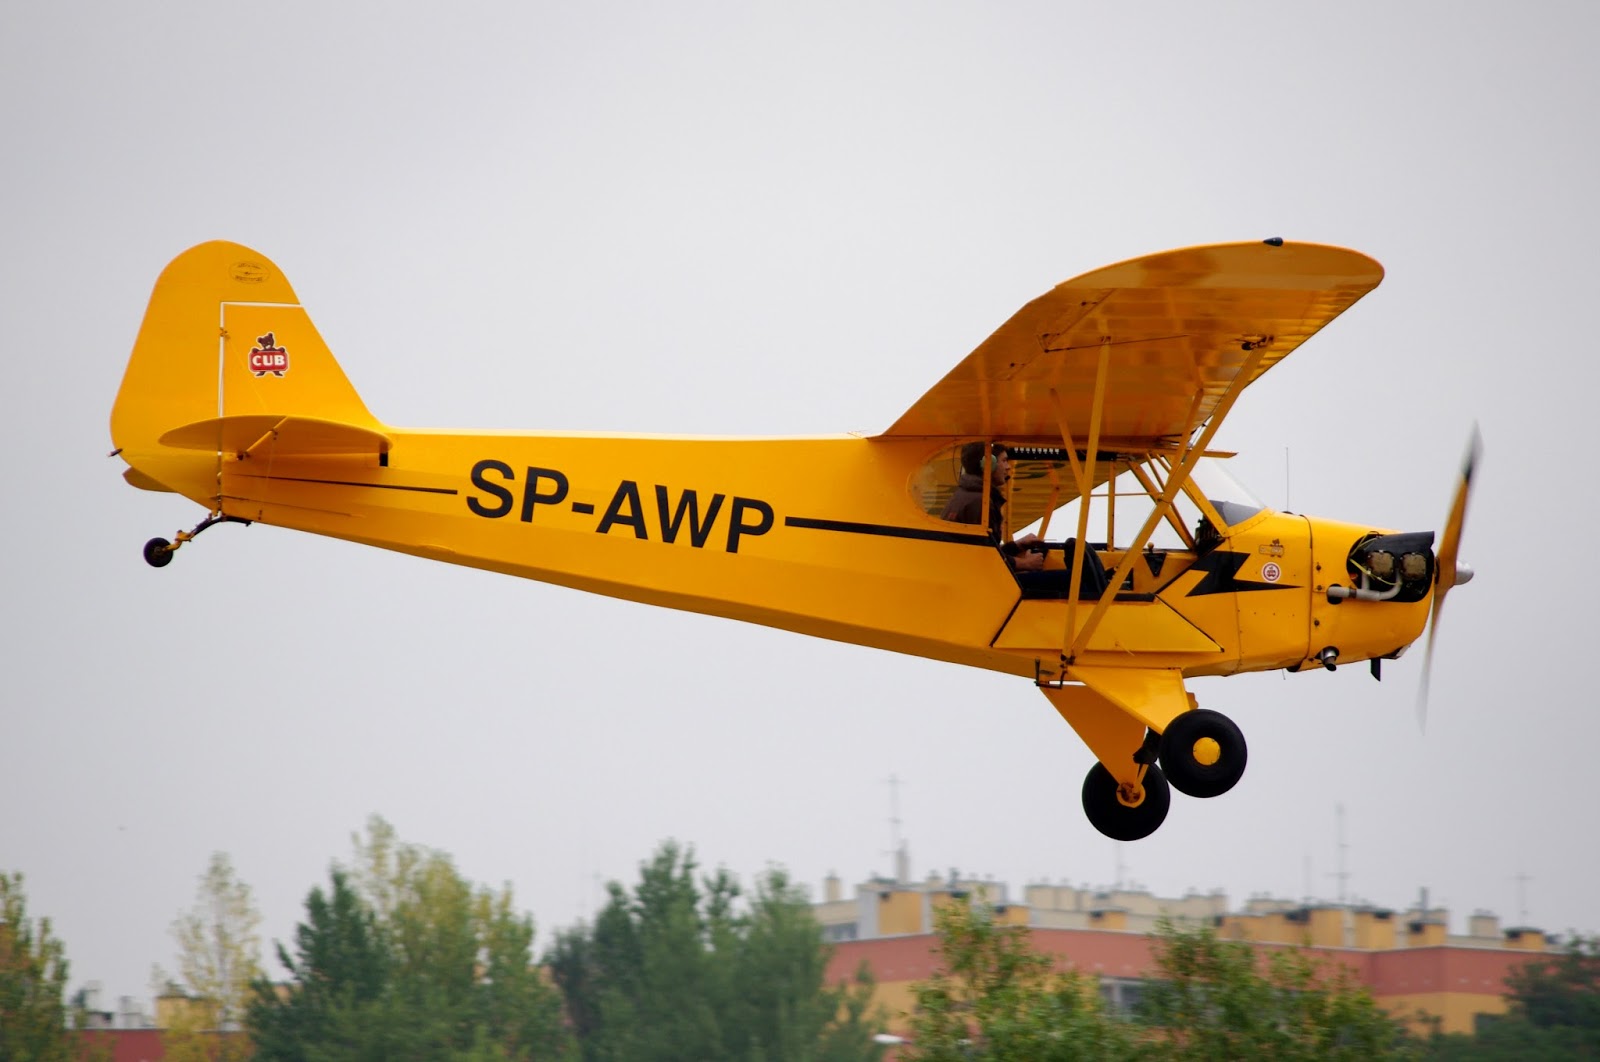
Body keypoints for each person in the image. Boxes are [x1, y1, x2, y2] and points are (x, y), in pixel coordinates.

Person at [942, 442, 1044, 572]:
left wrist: (1017, 545)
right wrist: (1025, 564)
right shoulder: (980, 502)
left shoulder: (966, 495)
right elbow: (984, 559)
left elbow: (984, 549)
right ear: (989, 464)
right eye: (1004, 461)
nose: (1008, 467)